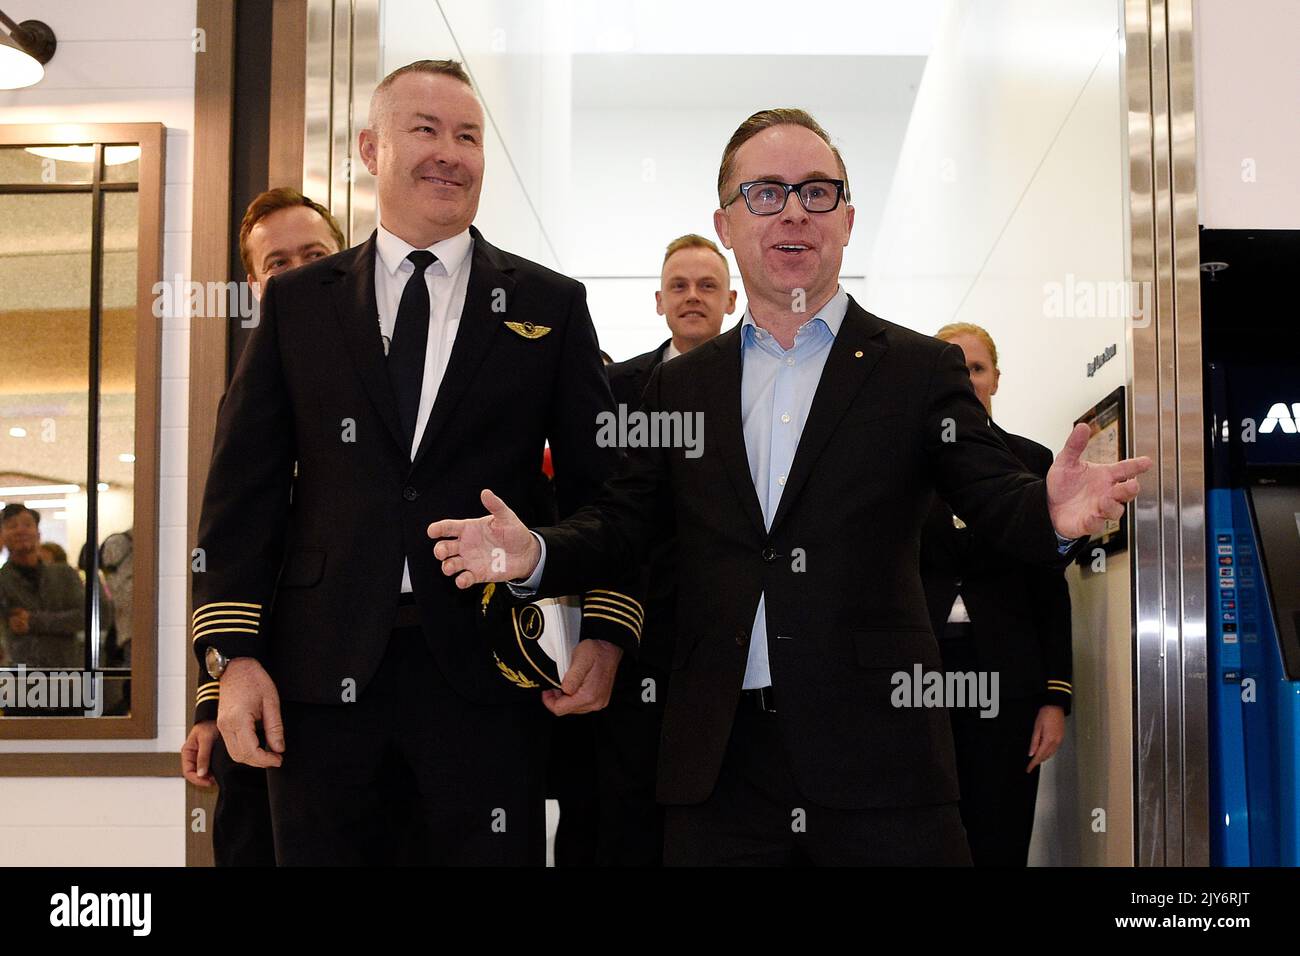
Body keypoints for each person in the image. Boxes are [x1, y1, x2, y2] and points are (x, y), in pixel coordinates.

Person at [427, 107, 1150, 866]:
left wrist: (1052, 513)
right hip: (719, 763)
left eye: (818, 191)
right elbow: (622, 522)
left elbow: (995, 497)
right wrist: (537, 552)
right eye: (766, 193)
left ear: (847, 219)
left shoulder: (916, 370)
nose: (795, 210)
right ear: (728, 222)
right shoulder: (680, 387)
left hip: (883, 763)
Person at [191, 59, 638, 866]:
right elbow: (242, 498)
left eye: (468, 136)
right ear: (370, 147)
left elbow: (609, 494)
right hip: (318, 681)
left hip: (491, 677)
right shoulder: (299, 305)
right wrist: (235, 658)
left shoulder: (549, 305)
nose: (450, 152)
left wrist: (605, 631)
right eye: (425, 130)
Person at [553, 233, 736, 866]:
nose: (693, 297)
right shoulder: (614, 388)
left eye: (707, 285)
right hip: (631, 628)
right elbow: (597, 512)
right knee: (622, 805)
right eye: (680, 286)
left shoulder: (766, 389)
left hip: (734, 634)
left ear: (731, 300)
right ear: (659, 301)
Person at [180, 187, 346, 866]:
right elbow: (230, 540)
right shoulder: (250, 386)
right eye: (278, 264)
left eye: (315, 255)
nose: (299, 273)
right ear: (253, 287)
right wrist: (210, 698)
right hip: (264, 682)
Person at [921, 322, 1072, 866]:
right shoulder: (899, 465)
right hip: (917, 680)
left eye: (977, 368)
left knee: (1000, 831)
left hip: (1009, 680)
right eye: (953, 369)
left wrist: (1056, 696)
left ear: (996, 379)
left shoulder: (1033, 462)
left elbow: (1047, 583)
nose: (966, 380)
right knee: (924, 831)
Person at [0, 504, 110, 670]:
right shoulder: (3, 581)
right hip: (20, 678)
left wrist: (33, 621)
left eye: (27, 524)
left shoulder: (63, 574)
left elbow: (90, 617)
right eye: (12, 526)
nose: (20, 530)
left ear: (38, 533)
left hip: (67, 675)